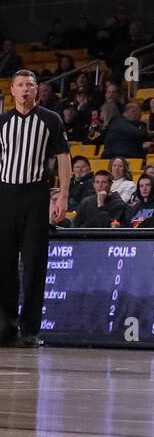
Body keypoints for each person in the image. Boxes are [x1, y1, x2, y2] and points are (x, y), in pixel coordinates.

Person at [0, 69, 70, 345]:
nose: (26, 89)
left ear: (37, 89)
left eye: (30, 85)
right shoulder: (3, 122)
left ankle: (29, 330)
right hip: (5, 194)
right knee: (3, 264)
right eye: (21, 85)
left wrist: (63, 195)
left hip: (36, 194)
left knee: (34, 264)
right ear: (12, 90)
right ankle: (5, 327)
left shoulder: (50, 120)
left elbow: (64, 158)